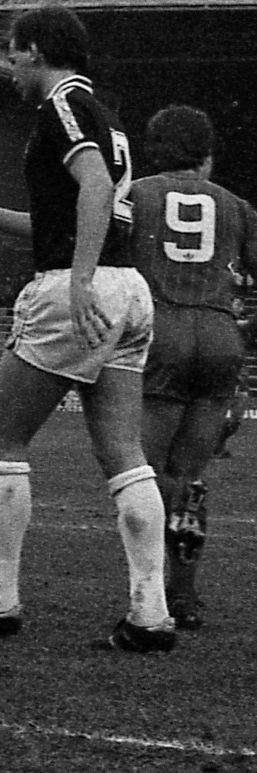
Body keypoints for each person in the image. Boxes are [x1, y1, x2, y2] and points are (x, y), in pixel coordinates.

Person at [0, 5, 171, 652]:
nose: (8, 64)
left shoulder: (62, 106)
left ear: (35, 49)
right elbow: (76, 212)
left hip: (76, 286)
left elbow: (89, 191)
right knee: (123, 454)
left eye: (12, 51)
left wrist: (79, 279)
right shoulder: (107, 120)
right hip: (129, 291)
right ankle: (150, 612)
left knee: (1, 434)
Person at [125, 105, 257, 631]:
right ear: (206, 155)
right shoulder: (237, 207)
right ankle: (186, 595)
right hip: (221, 339)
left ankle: (149, 594)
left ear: (154, 150)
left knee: (146, 474)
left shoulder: (136, 195)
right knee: (192, 478)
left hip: (161, 333)